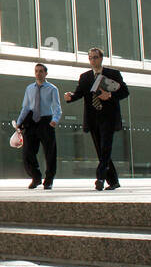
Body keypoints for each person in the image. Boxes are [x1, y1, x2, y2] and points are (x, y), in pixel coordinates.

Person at [64, 47, 130, 190]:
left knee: (106, 148)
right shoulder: (85, 77)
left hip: (108, 117)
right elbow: (79, 93)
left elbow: (125, 92)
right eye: (90, 58)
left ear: (101, 58)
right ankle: (113, 181)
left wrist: (110, 96)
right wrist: (70, 97)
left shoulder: (113, 74)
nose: (93, 60)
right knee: (101, 151)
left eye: (95, 57)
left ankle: (100, 178)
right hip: (93, 118)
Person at [15, 63, 61, 189]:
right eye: (36, 71)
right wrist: (19, 122)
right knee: (28, 151)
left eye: (41, 71)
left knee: (50, 152)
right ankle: (36, 177)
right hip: (31, 121)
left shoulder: (52, 89)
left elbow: (57, 107)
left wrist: (55, 120)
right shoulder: (29, 88)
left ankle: (49, 180)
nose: (38, 73)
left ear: (46, 73)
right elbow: (25, 107)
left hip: (46, 121)